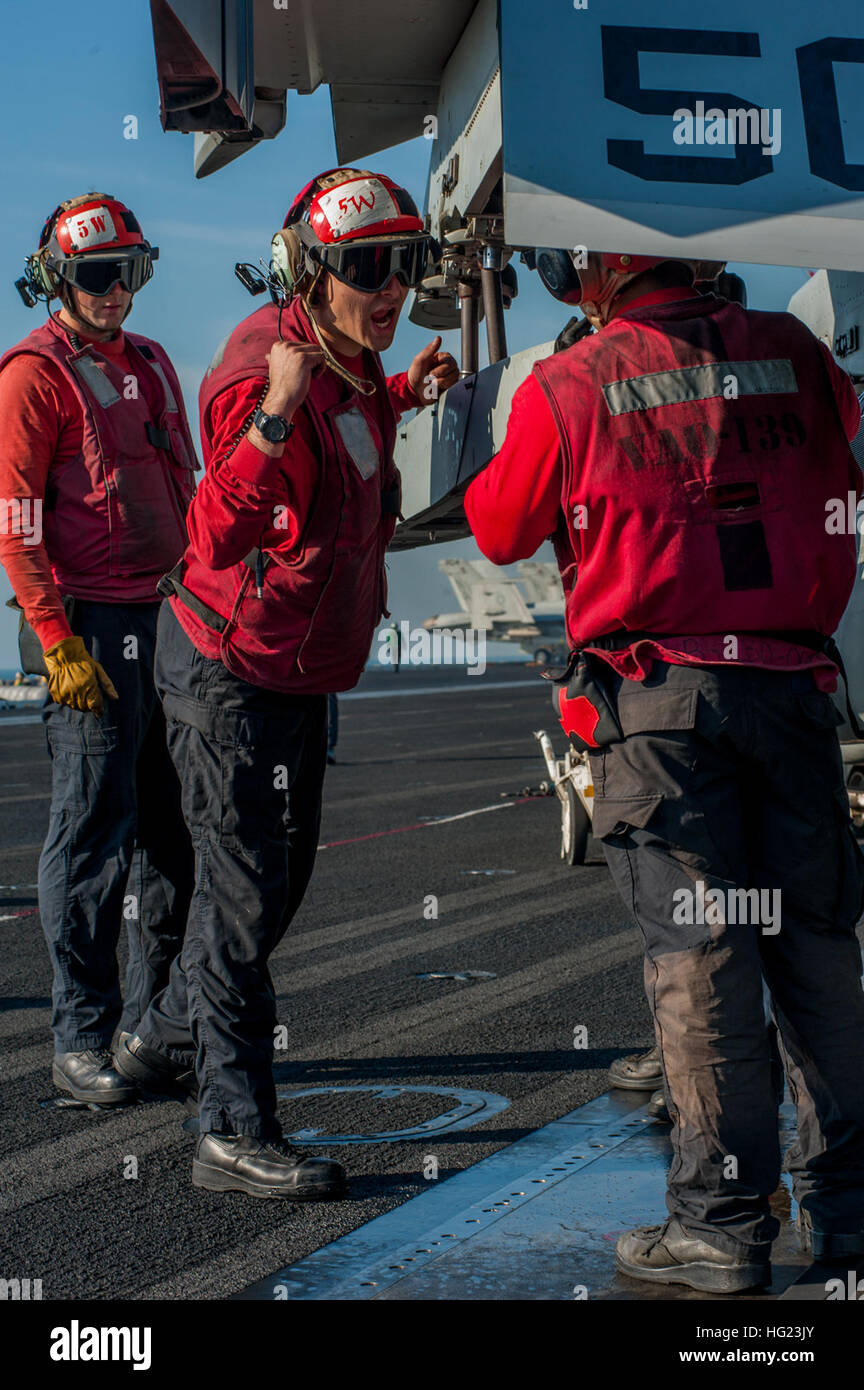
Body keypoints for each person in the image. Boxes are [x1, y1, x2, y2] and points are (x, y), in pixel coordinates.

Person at [465, 249, 864, 1292]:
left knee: (705, 963)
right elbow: (839, 452)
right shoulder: (795, 351)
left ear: (585, 269)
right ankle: (852, 1207)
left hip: (662, 712)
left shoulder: (570, 383)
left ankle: (724, 1225)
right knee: (818, 955)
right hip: (791, 695)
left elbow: (499, 527)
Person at [115, 167, 458, 1200]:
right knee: (240, 897)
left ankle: (157, 1036)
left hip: (297, 671)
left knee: (272, 889)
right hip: (230, 673)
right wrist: (271, 411)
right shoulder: (257, 371)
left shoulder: (350, 365)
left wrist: (407, 391)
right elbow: (216, 527)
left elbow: (342, 440)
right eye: (366, 265)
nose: (391, 285)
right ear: (312, 271)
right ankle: (229, 1127)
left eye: (404, 262)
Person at [0, 193, 197, 1105]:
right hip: (92, 627)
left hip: (170, 620)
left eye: (128, 272)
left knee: (172, 835)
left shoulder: (152, 363)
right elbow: (17, 523)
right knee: (88, 837)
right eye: (96, 276)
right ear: (59, 279)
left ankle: (152, 1027)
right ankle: (79, 1036)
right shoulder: (33, 375)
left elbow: (190, 486)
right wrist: (53, 639)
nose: (116, 291)